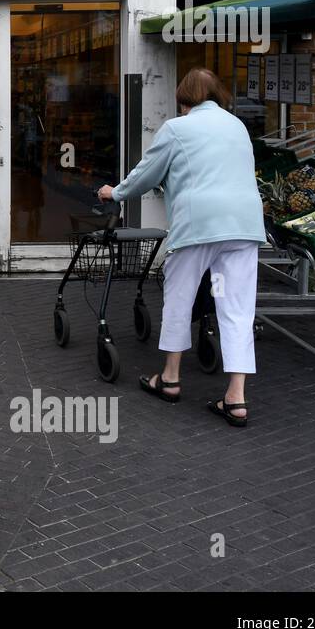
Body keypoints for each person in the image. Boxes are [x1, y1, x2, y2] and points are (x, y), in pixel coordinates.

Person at [97, 68, 266, 427]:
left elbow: (147, 172)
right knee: (236, 308)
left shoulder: (178, 128)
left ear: (183, 100)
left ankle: (170, 378)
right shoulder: (237, 126)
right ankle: (236, 398)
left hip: (199, 225)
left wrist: (117, 192)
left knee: (180, 296)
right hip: (244, 226)